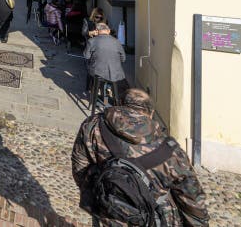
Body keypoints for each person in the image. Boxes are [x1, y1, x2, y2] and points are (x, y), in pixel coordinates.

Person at [72, 88, 210, 226]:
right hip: (152, 219)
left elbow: (80, 167)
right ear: (151, 113)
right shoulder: (169, 149)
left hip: (108, 210)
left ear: (119, 103)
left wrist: (99, 195)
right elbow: (191, 199)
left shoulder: (93, 125)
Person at [83, 23, 128, 100]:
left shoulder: (92, 41)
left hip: (97, 72)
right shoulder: (117, 42)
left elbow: (86, 56)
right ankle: (107, 97)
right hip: (115, 73)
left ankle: (99, 95)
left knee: (91, 70)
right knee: (107, 79)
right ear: (108, 31)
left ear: (97, 31)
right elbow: (123, 59)